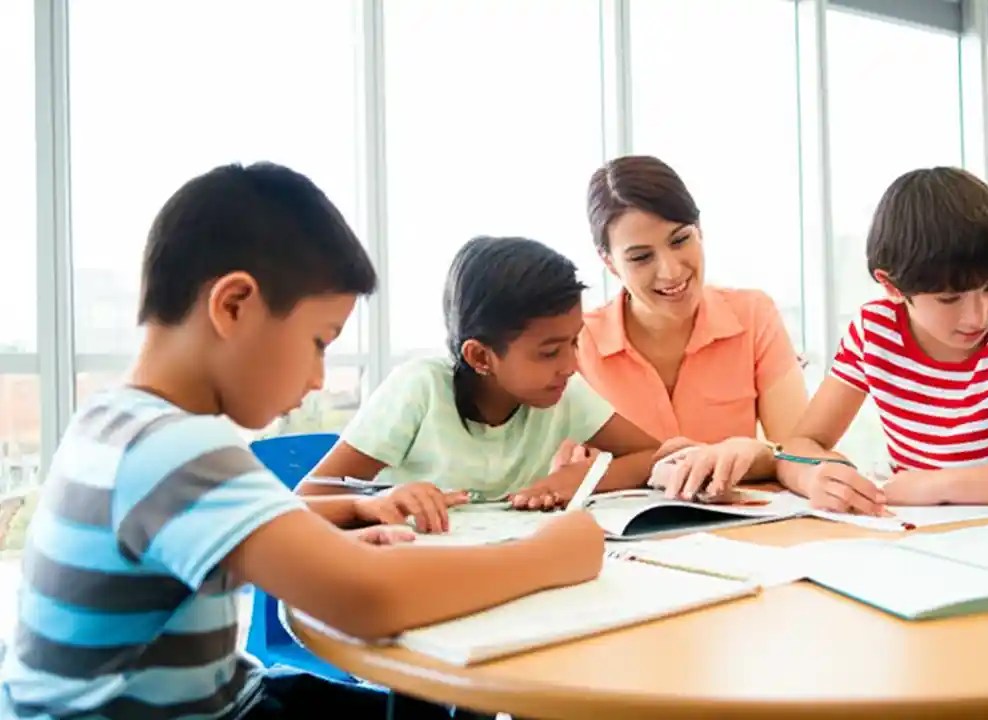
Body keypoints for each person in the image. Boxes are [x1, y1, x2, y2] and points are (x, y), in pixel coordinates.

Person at [0, 163, 604, 719]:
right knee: (437, 705)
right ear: (234, 305)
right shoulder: (175, 448)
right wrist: (546, 556)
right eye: (319, 342)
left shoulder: (115, 422)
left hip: (221, 695)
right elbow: (367, 600)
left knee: (433, 708)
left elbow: (211, 533)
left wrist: (348, 512)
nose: (318, 378)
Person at [778, 167, 988, 516]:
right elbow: (798, 446)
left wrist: (943, 486)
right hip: (918, 530)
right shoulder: (875, 332)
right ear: (892, 287)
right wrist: (815, 477)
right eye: (950, 299)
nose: (978, 316)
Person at [306, 235, 660, 518]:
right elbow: (307, 500)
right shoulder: (420, 389)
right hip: (418, 565)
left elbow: (654, 455)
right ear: (480, 357)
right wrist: (377, 502)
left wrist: (577, 478)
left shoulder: (564, 392)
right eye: (549, 352)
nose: (570, 365)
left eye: (574, 342)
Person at [574, 155, 808, 500]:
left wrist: (752, 454)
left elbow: (801, 454)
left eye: (680, 240)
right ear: (608, 262)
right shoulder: (577, 343)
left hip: (740, 525)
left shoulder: (753, 315)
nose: (670, 271)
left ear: (699, 230)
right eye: (641, 257)